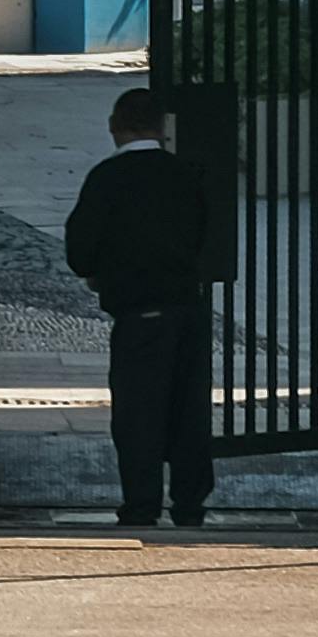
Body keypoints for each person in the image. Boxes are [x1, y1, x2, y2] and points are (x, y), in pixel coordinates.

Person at [64, 85, 229, 532]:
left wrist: (104, 271)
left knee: (139, 414)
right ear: (161, 128)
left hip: (137, 314)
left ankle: (141, 507)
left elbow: (79, 250)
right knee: (189, 412)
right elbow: (204, 236)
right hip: (187, 310)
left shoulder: (106, 179)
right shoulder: (184, 175)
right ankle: (190, 505)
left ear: (114, 127)